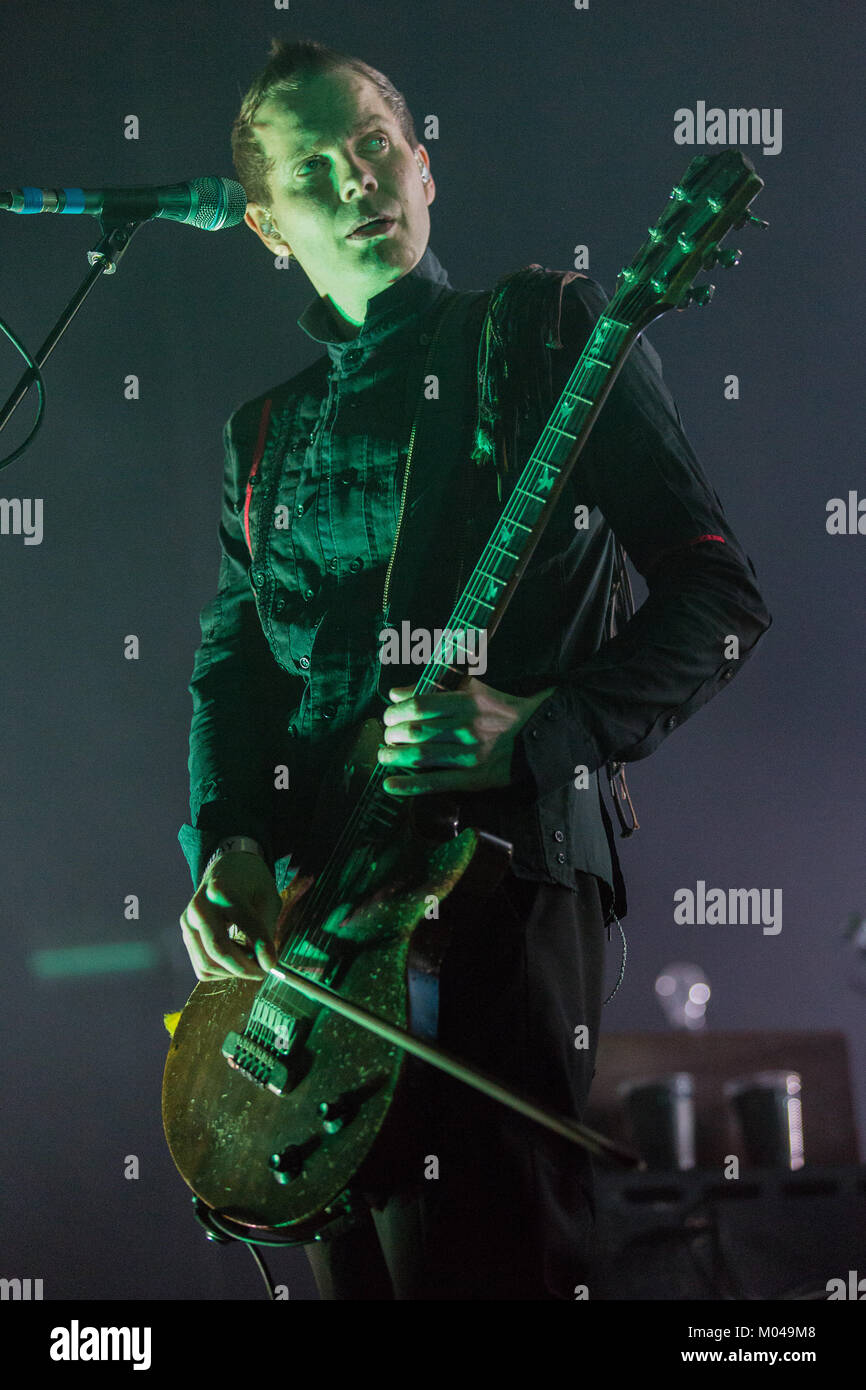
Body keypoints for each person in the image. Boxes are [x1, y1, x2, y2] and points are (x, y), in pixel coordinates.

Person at [177, 38, 772, 1299]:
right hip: (316, 923)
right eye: (312, 168)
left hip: (506, 888)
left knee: (487, 1263)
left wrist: (544, 723)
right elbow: (235, 675)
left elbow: (719, 597)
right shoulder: (260, 435)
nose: (355, 181)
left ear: (423, 168)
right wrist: (223, 840)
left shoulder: (547, 331)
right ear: (264, 222)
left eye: (374, 145)